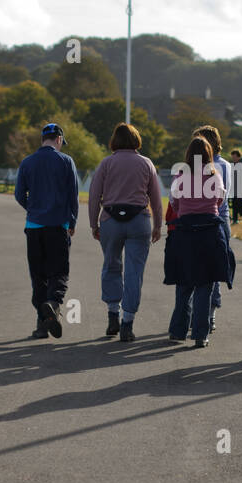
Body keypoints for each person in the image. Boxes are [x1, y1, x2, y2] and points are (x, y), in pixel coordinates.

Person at [88, 123, 163, 342]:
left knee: (111, 265)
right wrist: (158, 225)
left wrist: (94, 224)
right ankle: (127, 322)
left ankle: (113, 313)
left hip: (110, 220)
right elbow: (156, 200)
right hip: (139, 221)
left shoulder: (106, 163)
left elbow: (94, 196)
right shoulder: (146, 163)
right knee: (134, 272)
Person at [164, 135, 233, 348]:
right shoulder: (215, 176)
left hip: (185, 231)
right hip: (209, 231)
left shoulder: (180, 176)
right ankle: (200, 334)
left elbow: (174, 202)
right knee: (206, 284)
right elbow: (220, 200)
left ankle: (178, 329)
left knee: (184, 282)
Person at [15, 123, 79, 339]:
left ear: (43, 139)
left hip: (34, 226)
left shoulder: (27, 162)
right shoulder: (66, 161)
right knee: (59, 272)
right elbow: (73, 197)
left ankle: (42, 324)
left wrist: (32, 209)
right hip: (58, 225)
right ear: (59, 139)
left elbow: (18, 194)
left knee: (38, 275)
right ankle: (53, 303)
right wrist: (72, 222)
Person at [192, 125, 231, 333]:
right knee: (214, 270)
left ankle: (199, 312)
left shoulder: (201, 167)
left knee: (197, 267)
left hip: (209, 219)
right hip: (221, 219)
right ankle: (210, 313)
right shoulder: (225, 165)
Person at [228, 149, 242, 224]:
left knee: (238, 203)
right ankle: (235, 220)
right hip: (236, 187)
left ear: (239, 156)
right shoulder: (237, 164)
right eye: (232, 158)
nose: (233, 159)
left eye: (234, 157)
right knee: (235, 203)